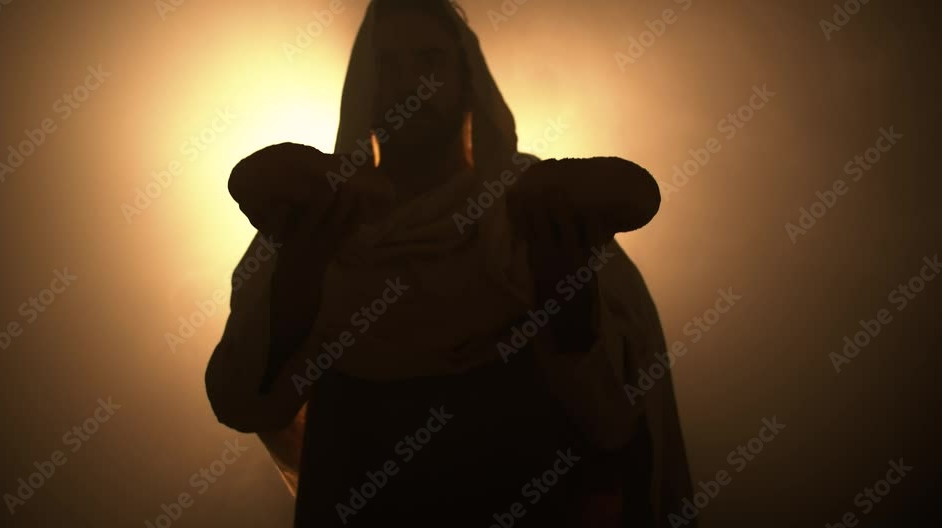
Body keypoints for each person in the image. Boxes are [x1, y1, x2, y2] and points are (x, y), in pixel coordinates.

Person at [205, 1, 695, 526]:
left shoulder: (532, 216)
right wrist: (297, 286)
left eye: (429, 60)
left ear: (467, 83)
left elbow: (614, 422)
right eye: (387, 65)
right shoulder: (319, 223)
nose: (409, 82)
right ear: (364, 86)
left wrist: (568, 312)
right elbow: (242, 399)